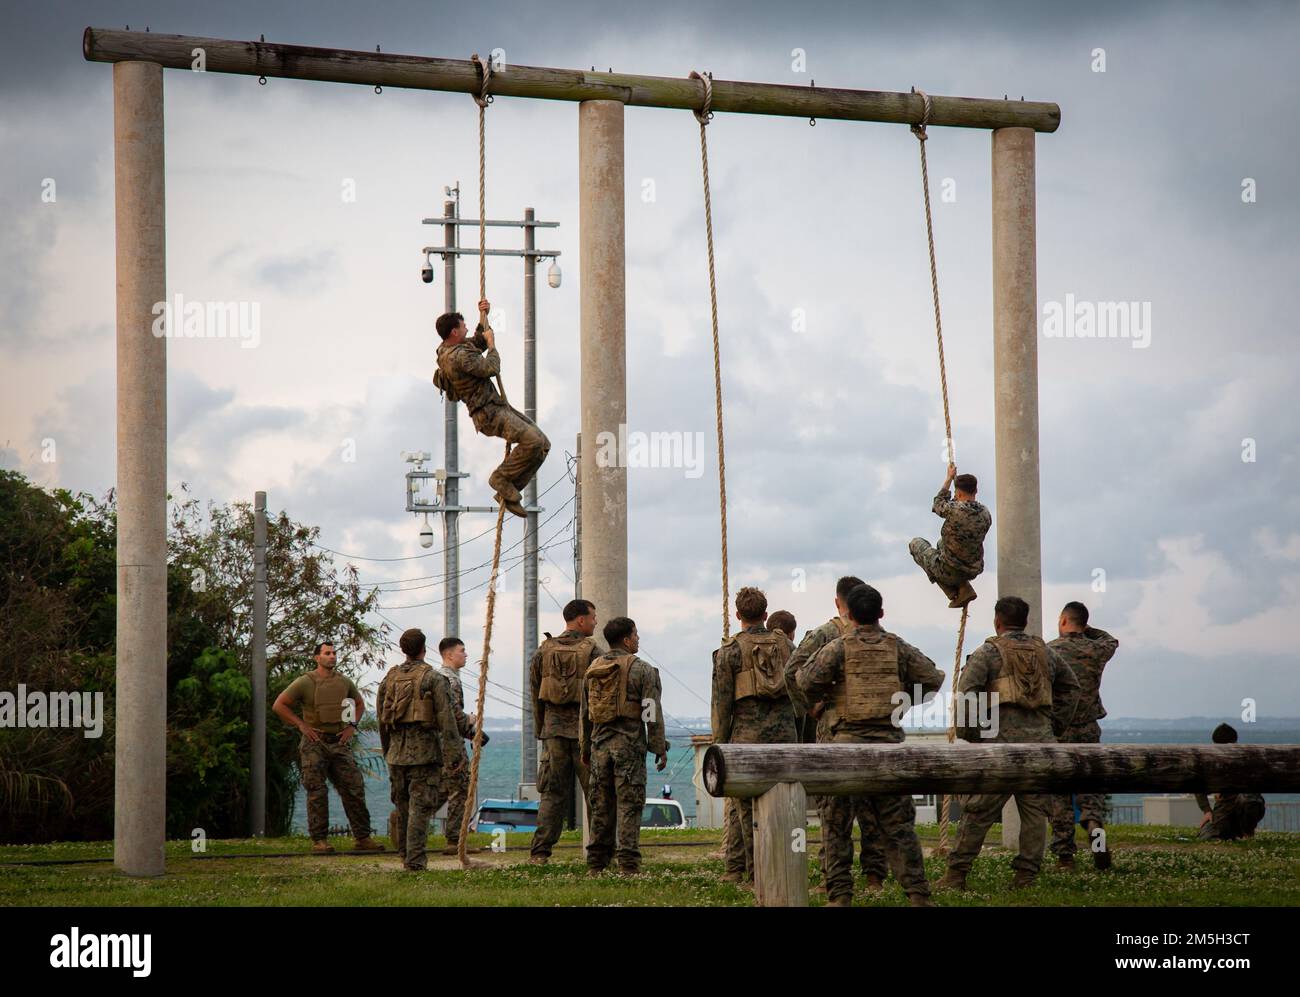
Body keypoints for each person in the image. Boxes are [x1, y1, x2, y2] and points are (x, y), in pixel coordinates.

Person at [798, 583, 944, 907]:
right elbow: (933, 678)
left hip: (845, 748)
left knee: (836, 827)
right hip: (888, 748)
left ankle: (839, 897)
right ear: (881, 613)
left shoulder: (838, 648)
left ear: (848, 613)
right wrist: (904, 702)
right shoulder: (897, 647)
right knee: (899, 828)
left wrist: (820, 705)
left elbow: (804, 679)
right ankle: (919, 895)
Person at [935, 597, 1081, 891]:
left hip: (999, 747)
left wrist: (970, 736)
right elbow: (1071, 687)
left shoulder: (989, 652)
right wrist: (1054, 727)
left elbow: (967, 694)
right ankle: (1026, 875)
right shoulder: (1046, 653)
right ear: (1025, 621)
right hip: (1040, 746)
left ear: (997, 621)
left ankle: (956, 875)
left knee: (978, 812)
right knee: (1034, 814)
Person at [782, 576, 891, 893]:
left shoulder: (825, 634)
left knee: (834, 809)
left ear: (837, 602)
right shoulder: (882, 636)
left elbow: (793, 671)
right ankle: (874, 877)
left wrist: (810, 707)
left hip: (834, 729)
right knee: (872, 805)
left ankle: (834, 877)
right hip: (875, 731)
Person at [711, 587, 799, 882]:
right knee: (784, 808)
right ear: (765, 613)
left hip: (746, 741)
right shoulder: (787, 647)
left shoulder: (729, 651)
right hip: (786, 739)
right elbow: (801, 691)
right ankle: (779, 871)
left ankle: (756, 875)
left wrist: (719, 746)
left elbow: (722, 705)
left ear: (737, 615)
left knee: (747, 812)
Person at [434, 299, 550, 518]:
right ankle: (500, 479)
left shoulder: (450, 349)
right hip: (489, 414)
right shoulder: (457, 357)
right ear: (454, 332)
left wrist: (483, 317)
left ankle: (509, 490)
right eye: (463, 326)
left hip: (495, 407)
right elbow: (491, 367)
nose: (466, 328)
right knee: (533, 441)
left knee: (543, 444)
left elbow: (477, 343)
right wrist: (493, 345)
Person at [273, 641, 383, 854]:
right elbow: (279, 705)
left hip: (339, 742)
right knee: (317, 791)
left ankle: (363, 837)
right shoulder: (305, 682)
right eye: (327, 653)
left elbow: (359, 704)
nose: (332, 656)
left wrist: (351, 726)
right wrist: (301, 725)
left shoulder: (343, 682)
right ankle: (319, 841)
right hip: (315, 742)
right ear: (317, 658)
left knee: (354, 787)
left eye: (334, 653)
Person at [581, 616, 667, 875]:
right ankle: (628, 863)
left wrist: (585, 748)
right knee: (630, 804)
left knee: (601, 804)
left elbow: (584, 713)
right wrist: (658, 747)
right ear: (627, 639)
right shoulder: (642, 670)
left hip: (599, 747)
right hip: (629, 747)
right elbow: (650, 711)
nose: (638, 639)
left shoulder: (593, 668)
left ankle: (596, 862)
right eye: (636, 635)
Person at [374, 629, 463, 871]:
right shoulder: (432, 678)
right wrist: (455, 755)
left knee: (402, 806)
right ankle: (415, 861)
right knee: (420, 808)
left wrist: (388, 751)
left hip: (396, 754)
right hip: (424, 754)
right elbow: (447, 720)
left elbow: (382, 721)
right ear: (424, 649)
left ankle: (405, 855)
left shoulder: (389, 678)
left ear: (404, 649)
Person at [528, 599, 601, 864]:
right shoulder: (593, 651)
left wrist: (541, 729)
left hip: (553, 733)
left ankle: (540, 853)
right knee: (596, 794)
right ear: (580, 620)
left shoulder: (543, 651)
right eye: (593, 617)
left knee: (552, 794)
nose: (595, 621)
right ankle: (599, 855)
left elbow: (535, 694)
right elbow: (600, 698)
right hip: (586, 735)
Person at [1047, 601, 1119, 869]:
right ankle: (1093, 825)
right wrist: (1086, 629)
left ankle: (1065, 856)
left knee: (1059, 792)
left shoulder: (1050, 651)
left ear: (1064, 621)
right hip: (1088, 728)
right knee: (1090, 787)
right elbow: (1111, 640)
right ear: (1084, 623)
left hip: (1058, 729)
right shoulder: (1097, 649)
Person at [908, 463, 991, 608]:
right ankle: (963, 586)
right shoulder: (986, 514)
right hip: (972, 569)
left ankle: (953, 592)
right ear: (976, 490)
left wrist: (948, 479)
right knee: (941, 543)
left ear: (958, 494)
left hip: (950, 570)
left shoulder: (954, 509)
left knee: (915, 544)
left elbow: (937, 504)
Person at [437, 636, 489, 855]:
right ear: (449, 654)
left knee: (440, 788)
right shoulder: (452, 681)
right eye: (462, 650)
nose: (466, 654)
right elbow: (455, 717)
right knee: (460, 789)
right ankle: (455, 840)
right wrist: (473, 731)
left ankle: (406, 820)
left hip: (436, 743)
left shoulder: (435, 677)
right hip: (451, 745)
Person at [1196, 723, 1266, 840]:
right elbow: (1199, 785)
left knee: (1247, 800)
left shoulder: (1244, 760)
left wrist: (1207, 810)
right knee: (1206, 836)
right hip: (1226, 808)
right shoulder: (1216, 763)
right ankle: (1239, 832)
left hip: (1244, 804)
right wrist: (1207, 811)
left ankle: (1247, 833)